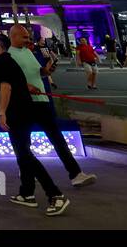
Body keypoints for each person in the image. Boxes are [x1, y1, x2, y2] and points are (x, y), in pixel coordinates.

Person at [0, 32, 69, 216]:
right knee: (22, 154)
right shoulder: (8, 61)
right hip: (22, 112)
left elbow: (7, 87)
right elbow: (9, 87)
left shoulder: (2, 62)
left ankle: (55, 194)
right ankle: (27, 194)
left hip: (17, 114)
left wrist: (2, 112)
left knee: (26, 155)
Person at [9, 25, 95, 189]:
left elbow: (37, 72)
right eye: (24, 37)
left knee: (57, 138)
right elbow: (9, 79)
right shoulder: (9, 55)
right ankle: (26, 171)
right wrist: (25, 86)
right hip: (24, 103)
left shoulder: (28, 52)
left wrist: (47, 70)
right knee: (23, 141)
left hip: (42, 100)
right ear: (13, 36)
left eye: (28, 37)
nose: (28, 40)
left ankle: (76, 173)